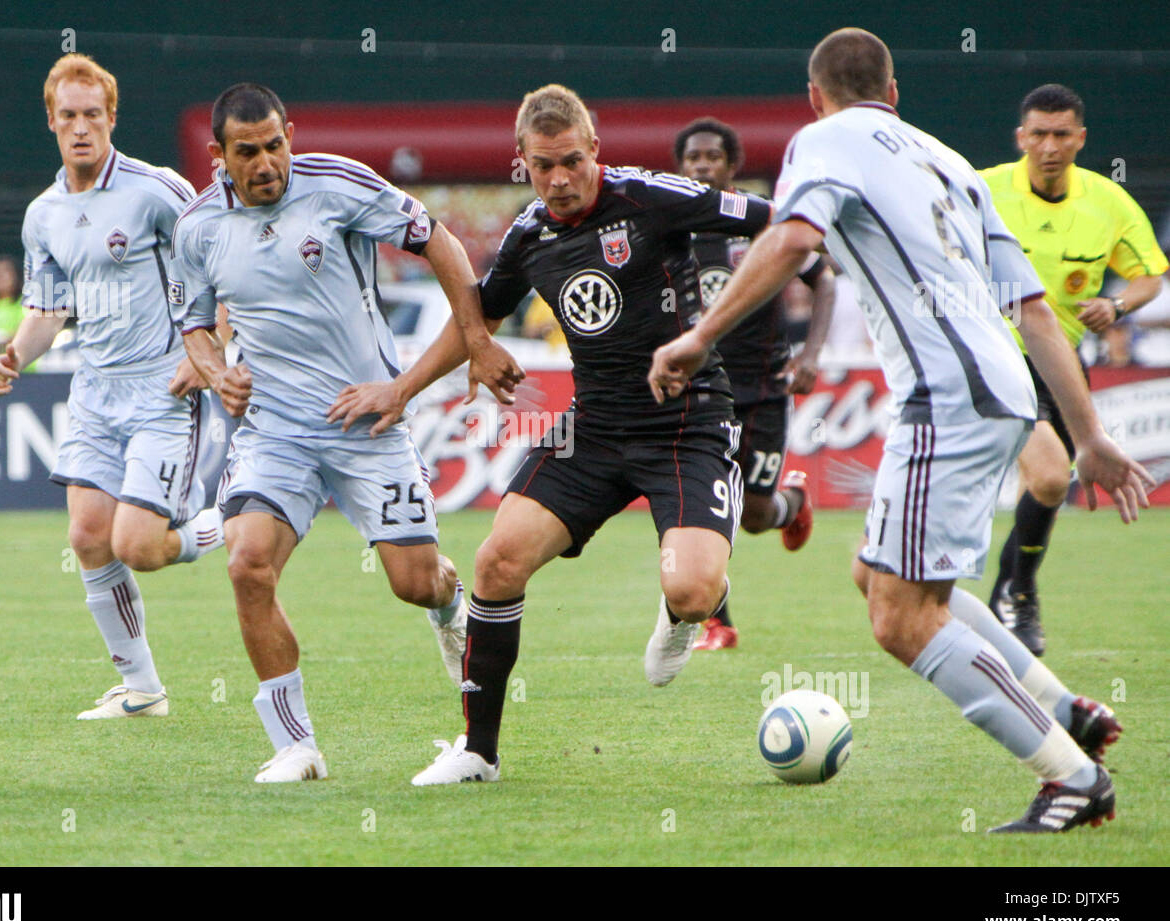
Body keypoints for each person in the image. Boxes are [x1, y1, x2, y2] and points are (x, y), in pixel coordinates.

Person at [649, 29, 1151, 832]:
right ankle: (1070, 711)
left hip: (945, 397)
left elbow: (793, 238)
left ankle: (1071, 776)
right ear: (895, 90)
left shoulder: (824, 140)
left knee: (901, 617)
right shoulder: (951, 163)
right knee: (880, 576)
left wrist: (698, 335)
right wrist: (1086, 433)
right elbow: (1031, 310)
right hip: (1003, 389)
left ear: (815, 96)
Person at [331, 83, 773, 785]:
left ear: (595, 148)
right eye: (543, 166)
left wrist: (715, 327)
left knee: (692, 590)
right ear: (523, 163)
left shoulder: (653, 198)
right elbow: (479, 315)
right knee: (495, 563)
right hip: (592, 429)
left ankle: (685, 608)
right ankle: (478, 751)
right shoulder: (530, 235)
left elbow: (777, 222)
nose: (560, 179)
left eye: (572, 160)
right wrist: (404, 388)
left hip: (686, 423)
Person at [172, 83, 524, 784]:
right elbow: (195, 325)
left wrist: (471, 342)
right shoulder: (197, 229)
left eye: (276, 144)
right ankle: (294, 746)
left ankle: (450, 603)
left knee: (413, 583)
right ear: (220, 157)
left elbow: (439, 240)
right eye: (249, 152)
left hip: (369, 422)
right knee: (247, 564)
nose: (267, 162)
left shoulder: (337, 185)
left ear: (290, 134)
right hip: (274, 433)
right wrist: (216, 371)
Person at [0, 53, 225, 721]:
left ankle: (221, 525)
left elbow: (220, 260)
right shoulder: (44, 215)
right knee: (89, 536)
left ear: (112, 118)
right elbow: (47, 310)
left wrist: (208, 350)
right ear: (52, 122)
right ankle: (142, 688)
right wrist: (14, 357)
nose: (82, 127)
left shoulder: (158, 191)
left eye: (94, 114)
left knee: (139, 547)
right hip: (95, 391)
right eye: (69, 116)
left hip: (162, 388)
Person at [979, 85, 1169, 655]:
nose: (1049, 146)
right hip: (995, 355)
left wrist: (1117, 306)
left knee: (1051, 484)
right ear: (1020, 138)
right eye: (1038, 134)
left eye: (1062, 134)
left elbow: (1148, 278)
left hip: (1061, 363)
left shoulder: (1107, 202)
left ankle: (1011, 590)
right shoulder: (983, 191)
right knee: (1049, 475)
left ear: (1081, 139)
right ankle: (1017, 594)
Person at [674, 116, 837, 650]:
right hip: (703, 391)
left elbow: (823, 278)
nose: (702, 165)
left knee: (757, 515)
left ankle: (792, 501)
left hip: (765, 388)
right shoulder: (671, 227)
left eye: (712, 157)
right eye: (693, 157)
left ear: (732, 164)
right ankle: (717, 621)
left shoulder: (760, 221)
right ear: (682, 165)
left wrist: (810, 355)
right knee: (708, 504)